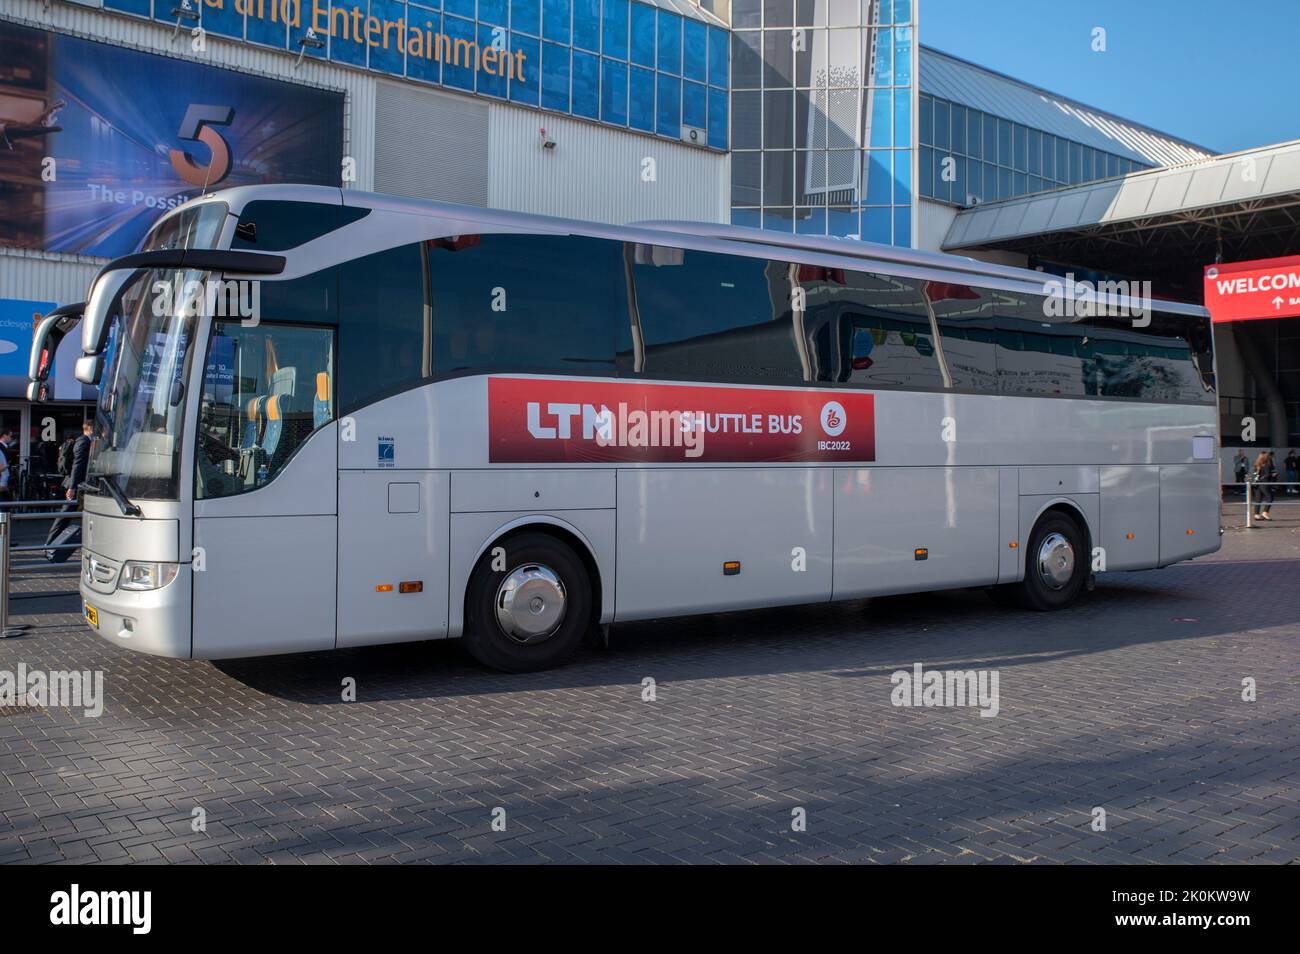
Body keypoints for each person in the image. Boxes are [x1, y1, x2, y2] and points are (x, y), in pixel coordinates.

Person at [62, 422, 92, 501]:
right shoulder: (83, 442)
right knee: (69, 508)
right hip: (77, 483)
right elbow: (77, 464)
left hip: (78, 483)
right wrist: (72, 487)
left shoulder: (86, 441)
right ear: (90, 428)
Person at [1252, 450, 1276, 521]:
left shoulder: (1257, 464)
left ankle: (1256, 515)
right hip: (1264, 483)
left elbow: (1254, 473)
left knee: (1258, 499)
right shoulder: (1266, 464)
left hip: (1256, 483)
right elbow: (1268, 474)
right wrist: (1272, 474)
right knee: (1270, 497)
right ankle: (1265, 512)